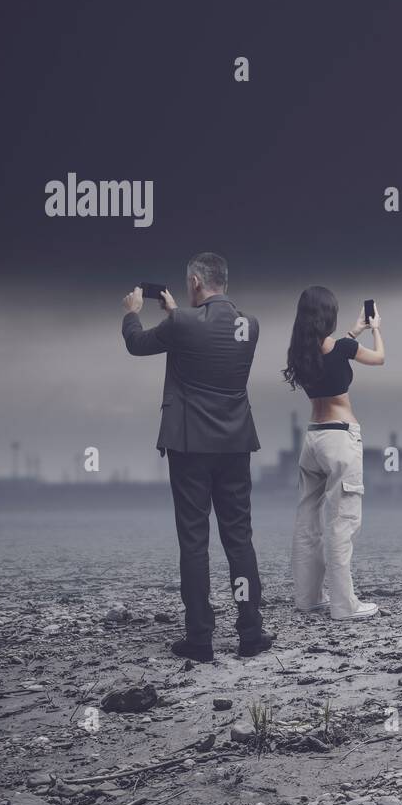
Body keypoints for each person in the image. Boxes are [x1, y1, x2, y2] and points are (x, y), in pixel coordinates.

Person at [120, 253, 273, 662]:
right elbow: (208, 338)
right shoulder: (249, 326)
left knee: (194, 542)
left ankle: (201, 638)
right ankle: (250, 632)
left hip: (190, 445)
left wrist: (132, 313)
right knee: (238, 538)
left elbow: (138, 344)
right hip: (236, 443)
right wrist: (176, 315)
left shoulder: (181, 324)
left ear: (194, 283)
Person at [283, 287, 385, 621]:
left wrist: (354, 330)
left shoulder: (301, 352)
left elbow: (331, 350)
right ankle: (344, 605)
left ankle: (309, 598)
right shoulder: (342, 349)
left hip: (312, 440)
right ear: (329, 315)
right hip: (341, 438)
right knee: (344, 523)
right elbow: (378, 358)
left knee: (307, 522)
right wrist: (375, 329)